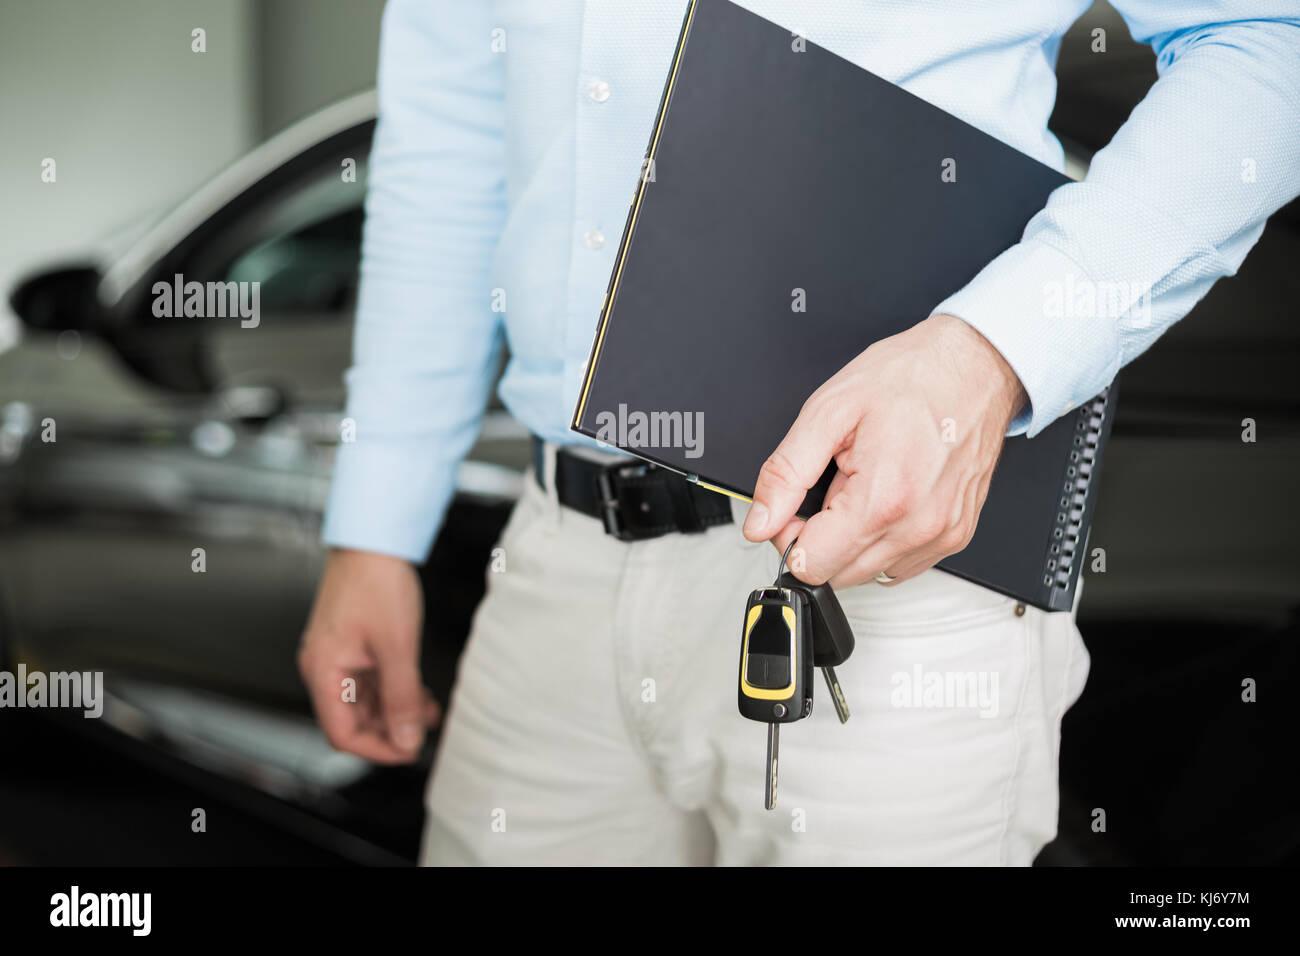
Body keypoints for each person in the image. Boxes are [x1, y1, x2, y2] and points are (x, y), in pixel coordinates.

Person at [297, 0, 1300, 865]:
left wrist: (994, 350)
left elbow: (1270, 38)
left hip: (895, 569)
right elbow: (447, 142)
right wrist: (375, 526)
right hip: (555, 563)